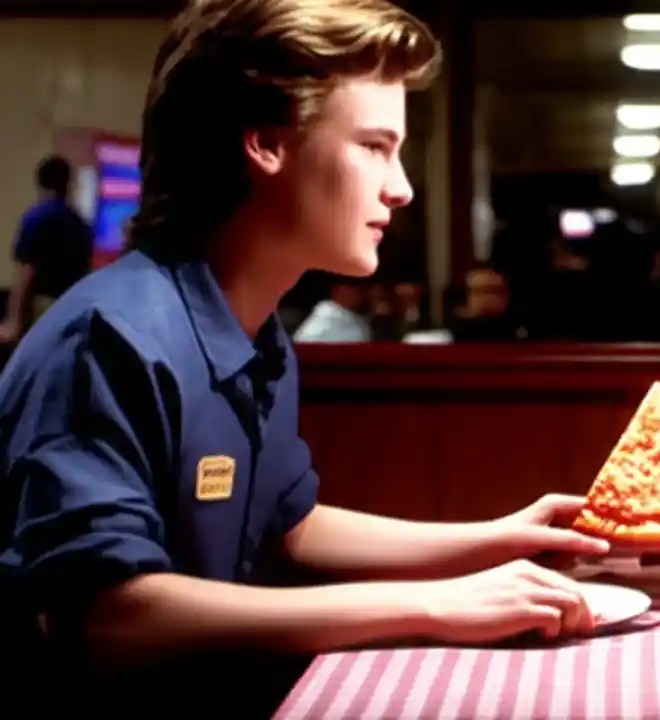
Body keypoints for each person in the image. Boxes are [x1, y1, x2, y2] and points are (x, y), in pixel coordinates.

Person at [0, 1, 607, 716]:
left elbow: (293, 528)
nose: (401, 187)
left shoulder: (256, 336)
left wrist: (498, 539)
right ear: (265, 143)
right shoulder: (110, 339)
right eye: (374, 146)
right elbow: (109, 616)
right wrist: (433, 604)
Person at [0, 155, 93, 343]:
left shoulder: (36, 218)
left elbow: (27, 273)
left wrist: (14, 324)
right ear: (68, 184)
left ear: (40, 182)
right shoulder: (81, 225)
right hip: (71, 312)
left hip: (41, 311)